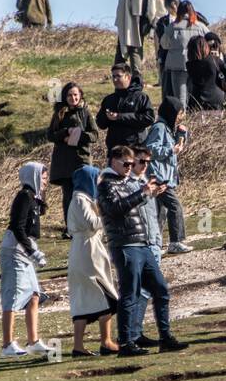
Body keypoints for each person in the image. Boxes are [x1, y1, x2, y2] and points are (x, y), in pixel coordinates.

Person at [97, 145, 186, 355]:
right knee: (130, 294)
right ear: (113, 162)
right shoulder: (106, 184)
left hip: (141, 243)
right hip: (125, 245)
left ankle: (165, 337)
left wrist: (148, 193)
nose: (129, 168)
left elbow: (134, 207)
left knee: (161, 289)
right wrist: (142, 193)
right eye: (125, 164)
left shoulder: (126, 182)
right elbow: (115, 209)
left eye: (130, 164)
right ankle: (126, 342)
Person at [66, 166, 119, 358]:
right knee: (107, 296)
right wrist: (106, 213)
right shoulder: (80, 199)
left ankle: (81, 346)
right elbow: (91, 223)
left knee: (85, 301)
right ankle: (105, 341)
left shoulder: (85, 199)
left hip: (89, 249)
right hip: (87, 250)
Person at [0, 162, 51, 359]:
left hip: (25, 251)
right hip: (14, 251)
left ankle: (33, 341)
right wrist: (32, 252)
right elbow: (17, 227)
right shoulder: (24, 196)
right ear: (34, 176)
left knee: (34, 296)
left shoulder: (34, 198)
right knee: (12, 296)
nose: (45, 182)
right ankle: (7, 344)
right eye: (43, 177)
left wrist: (32, 249)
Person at [47, 82, 98, 235]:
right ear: (65, 96)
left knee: (85, 193)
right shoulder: (59, 113)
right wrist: (65, 132)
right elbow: (50, 135)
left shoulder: (86, 112)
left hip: (81, 159)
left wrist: (79, 135)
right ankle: (70, 228)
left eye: (75, 94)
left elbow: (94, 134)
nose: (73, 97)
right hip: (64, 162)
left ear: (80, 95)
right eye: (70, 95)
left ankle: (87, 223)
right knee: (68, 196)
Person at [146, 98, 192, 253]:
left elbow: (176, 145)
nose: (182, 116)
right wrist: (170, 150)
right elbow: (150, 150)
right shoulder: (159, 128)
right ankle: (176, 241)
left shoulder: (169, 128)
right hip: (159, 177)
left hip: (165, 176)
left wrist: (182, 134)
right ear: (172, 113)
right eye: (180, 113)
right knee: (175, 207)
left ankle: (154, 243)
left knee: (160, 212)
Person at [132, 146, 165, 346]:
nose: (145, 165)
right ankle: (134, 334)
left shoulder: (143, 182)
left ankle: (135, 332)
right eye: (141, 161)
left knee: (145, 289)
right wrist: (146, 194)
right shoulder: (130, 183)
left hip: (152, 238)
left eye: (147, 162)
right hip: (144, 240)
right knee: (145, 289)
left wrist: (153, 193)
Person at [96, 64, 155, 157]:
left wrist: (120, 117)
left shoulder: (141, 97)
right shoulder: (109, 99)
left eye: (118, 76)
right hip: (115, 151)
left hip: (135, 151)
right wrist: (107, 117)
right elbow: (100, 124)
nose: (115, 80)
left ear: (128, 77)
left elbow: (149, 118)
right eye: (113, 76)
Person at [162, 0, 206, 111]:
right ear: (193, 11)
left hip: (177, 65)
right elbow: (210, 39)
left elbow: (164, 44)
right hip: (196, 65)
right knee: (194, 95)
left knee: (180, 98)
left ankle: (182, 121)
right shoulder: (200, 26)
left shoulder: (172, 26)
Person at [115, 0, 145, 74]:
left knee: (121, 48)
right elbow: (139, 7)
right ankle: (136, 78)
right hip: (135, 22)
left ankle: (118, 73)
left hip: (124, 22)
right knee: (135, 49)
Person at [186, 36, 226, 111]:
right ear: (206, 47)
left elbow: (189, 87)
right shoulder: (214, 60)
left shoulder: (189, 65)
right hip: (217, 99)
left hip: (197, 102)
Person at [156, 0, 180, 88]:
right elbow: (162, 40)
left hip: (178, 55)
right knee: (166, 85)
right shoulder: (162, 21)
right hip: (166, 54)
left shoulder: (185, 20)